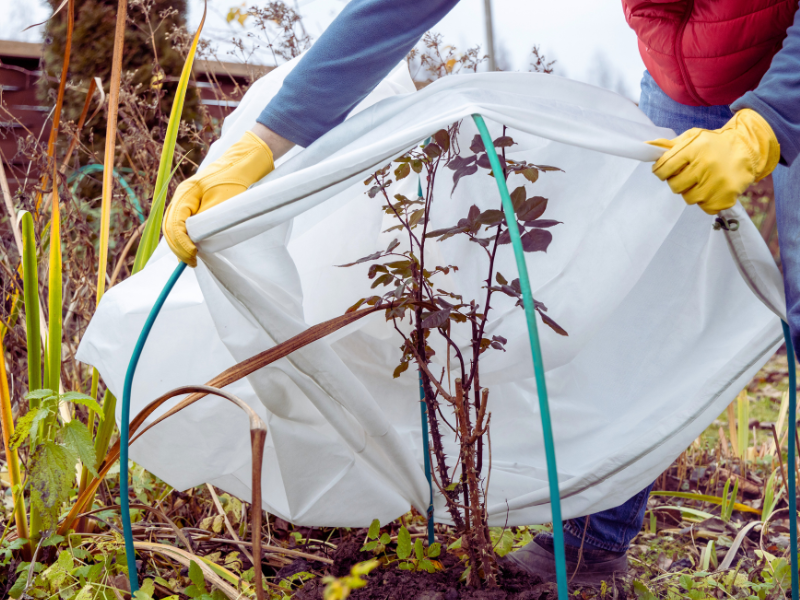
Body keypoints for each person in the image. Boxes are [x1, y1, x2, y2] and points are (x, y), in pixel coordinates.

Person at [162, 0, 800, 587]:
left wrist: (768, 123)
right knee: (637, 289)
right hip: (691, 72)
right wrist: (265, 140)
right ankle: (591, 545)